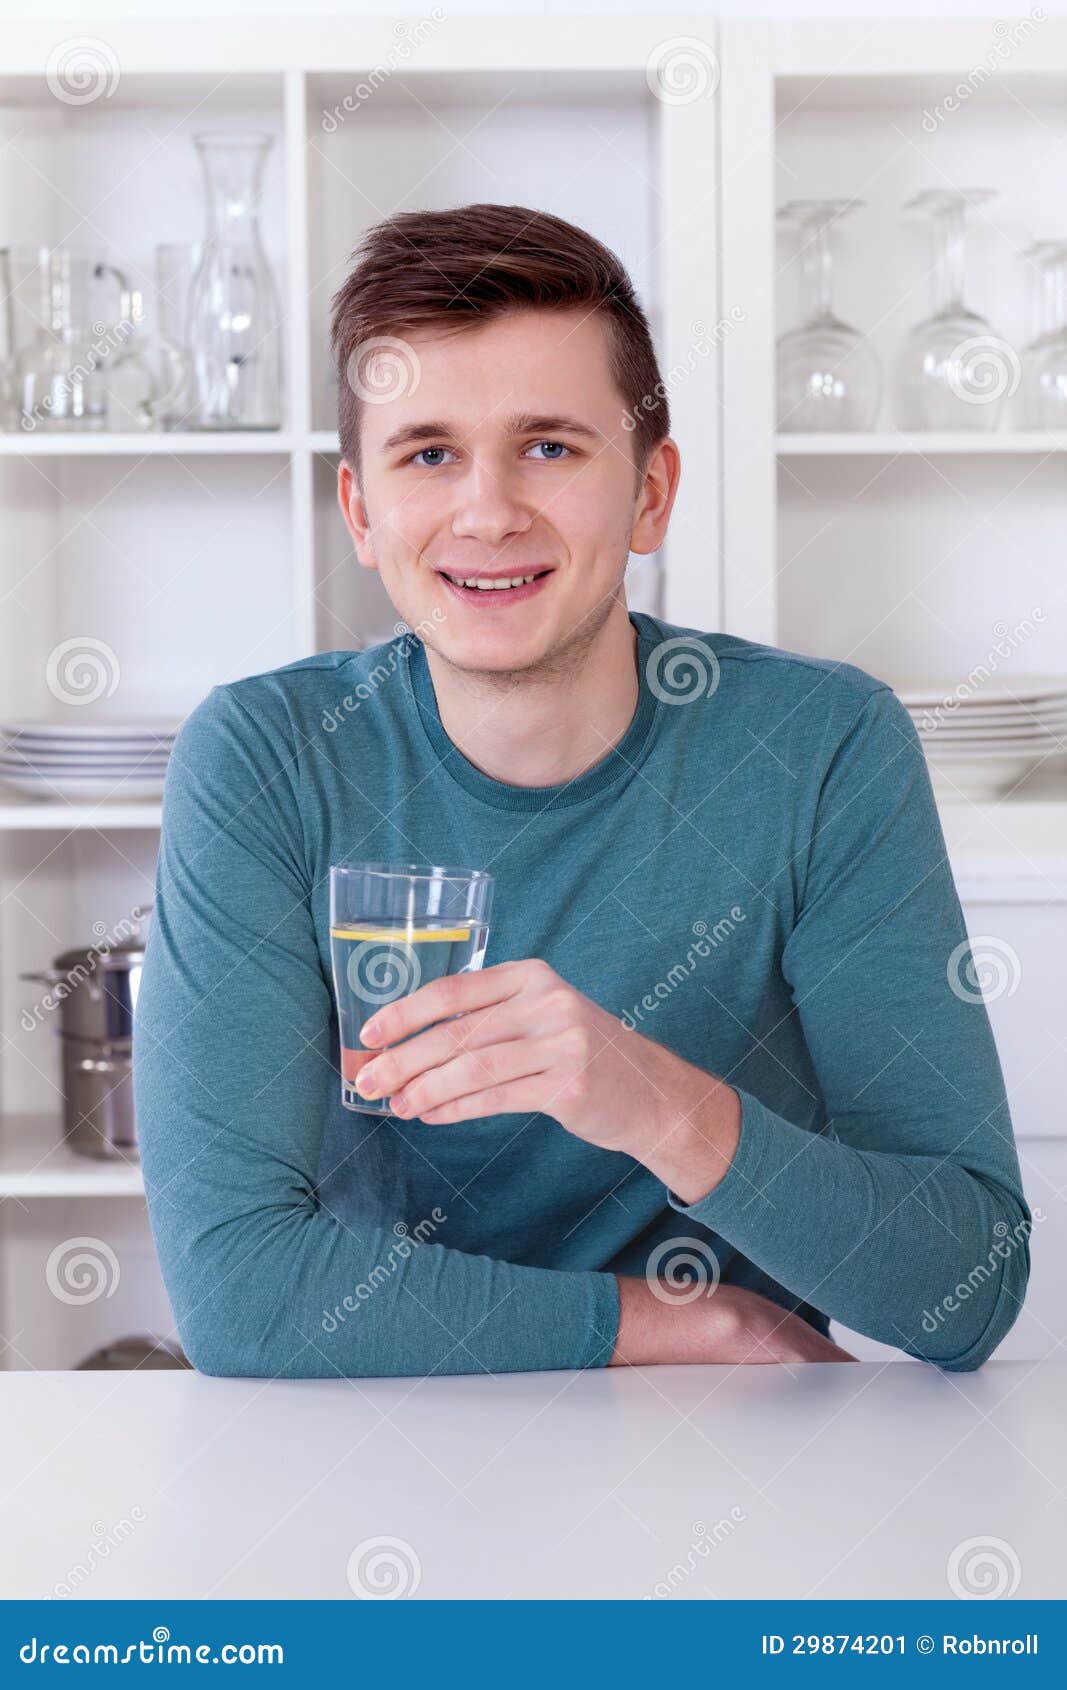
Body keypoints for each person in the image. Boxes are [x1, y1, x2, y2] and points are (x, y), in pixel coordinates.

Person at [133, 203, 1030, 1379]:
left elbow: (963, 1284)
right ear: (361, 510)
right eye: (427, 453)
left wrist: (651, 1099)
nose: (489, 510)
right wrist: (673, 1324)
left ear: (649, 493)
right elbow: (239, 1295)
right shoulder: (266, 758)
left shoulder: (818, 748)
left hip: (736, 1461)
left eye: (549, 446)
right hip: (382, 1442)